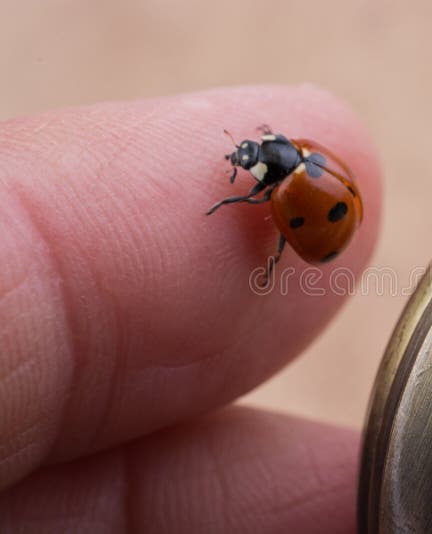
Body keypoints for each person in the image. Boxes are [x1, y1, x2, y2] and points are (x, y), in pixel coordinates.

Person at [0, 85, 382, 532]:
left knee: (265, 207)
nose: (247, 159)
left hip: (328, 226)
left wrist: (228, 199)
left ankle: (275, 256)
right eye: (253, 152)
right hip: (325, 198)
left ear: (270, 159)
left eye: (253, 157)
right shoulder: (298, 158)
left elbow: (262, 196)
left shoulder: (284, 189)